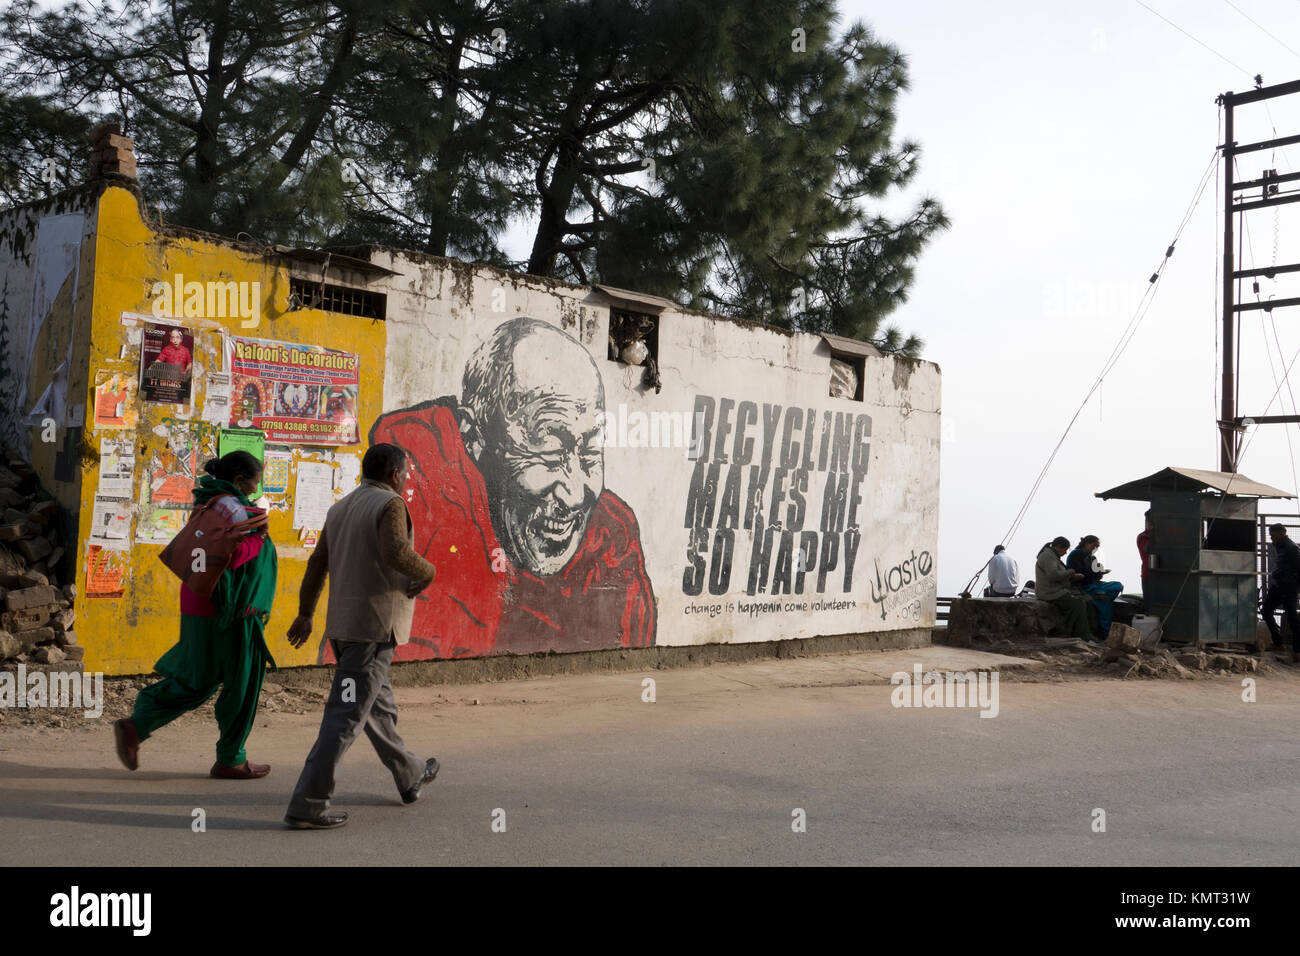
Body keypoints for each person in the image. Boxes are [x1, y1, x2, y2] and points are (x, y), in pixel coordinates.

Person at [370, 317, 655, 659]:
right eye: (550, 450)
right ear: (474, 438)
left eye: (591, 451)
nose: (576, 494)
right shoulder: (421, 504)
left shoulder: (609, 540)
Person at [283, 443, 441, 830]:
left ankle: (409, 773)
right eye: (405, 474)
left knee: (376, 704)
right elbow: (396, 552)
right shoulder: (390, 505)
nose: (405, 480)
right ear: (394, 474)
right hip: (372, 630)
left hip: (345, 628)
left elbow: (318, 564)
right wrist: (428, 572)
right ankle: (309, 801)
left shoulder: (341, 508)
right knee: (346, 715)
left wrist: (305, 613)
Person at [113, 451, 277, 778]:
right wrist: (259, 538)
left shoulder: (207, 500)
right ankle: (231, 757)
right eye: (254, 483)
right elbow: (231, 554)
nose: (254, 490)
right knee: (242, 681)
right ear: (241, 480)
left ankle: (137, 724)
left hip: (197, 602)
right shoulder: (232, 507)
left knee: (199, 678)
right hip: (231, 609)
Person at [1034, 536, 1092, 641]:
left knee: (1084, 601)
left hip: (1056, 590)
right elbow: (1053, 575)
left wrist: (1072, 576)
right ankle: (1078, 634)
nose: (1065, 553)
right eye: (1065, 550)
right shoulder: (1048, 556)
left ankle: (1080, 633)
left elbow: (1058, 576)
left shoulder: (1053, 556)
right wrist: (1068, 573)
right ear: (1059, 547)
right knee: (1078, 604)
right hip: (1049, 593)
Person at [1067, 535, 1124, 638]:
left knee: (1118, 586)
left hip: (1095, 584)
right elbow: (1077, 572)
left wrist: (1100, 573)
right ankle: (1105, 634)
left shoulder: (1092, 557)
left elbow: (1096, 575)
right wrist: (1094, 571)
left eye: (1097, 546)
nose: (1095, 548)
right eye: (1094, 545)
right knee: (1104, 604)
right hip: (1083, 586)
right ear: (1087, 543)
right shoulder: (1076, 554)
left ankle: (1101, 596)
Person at [1261, 523, 1300, 663]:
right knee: (1266, 611)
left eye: (1273, 534)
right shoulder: (1281, 546)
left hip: (1289, 588)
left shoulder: (1292, 548)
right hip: (1278, 586)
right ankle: (1278, 643)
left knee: (1292, 618)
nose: (1271, 537)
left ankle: (1297, 650)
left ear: (1281, 533)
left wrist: (1295, 588)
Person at [1136, 510, 1153, 606]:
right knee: (1149, 606)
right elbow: (1148, 548)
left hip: (1157, 576)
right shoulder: (1143, 537)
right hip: (1148, 575)